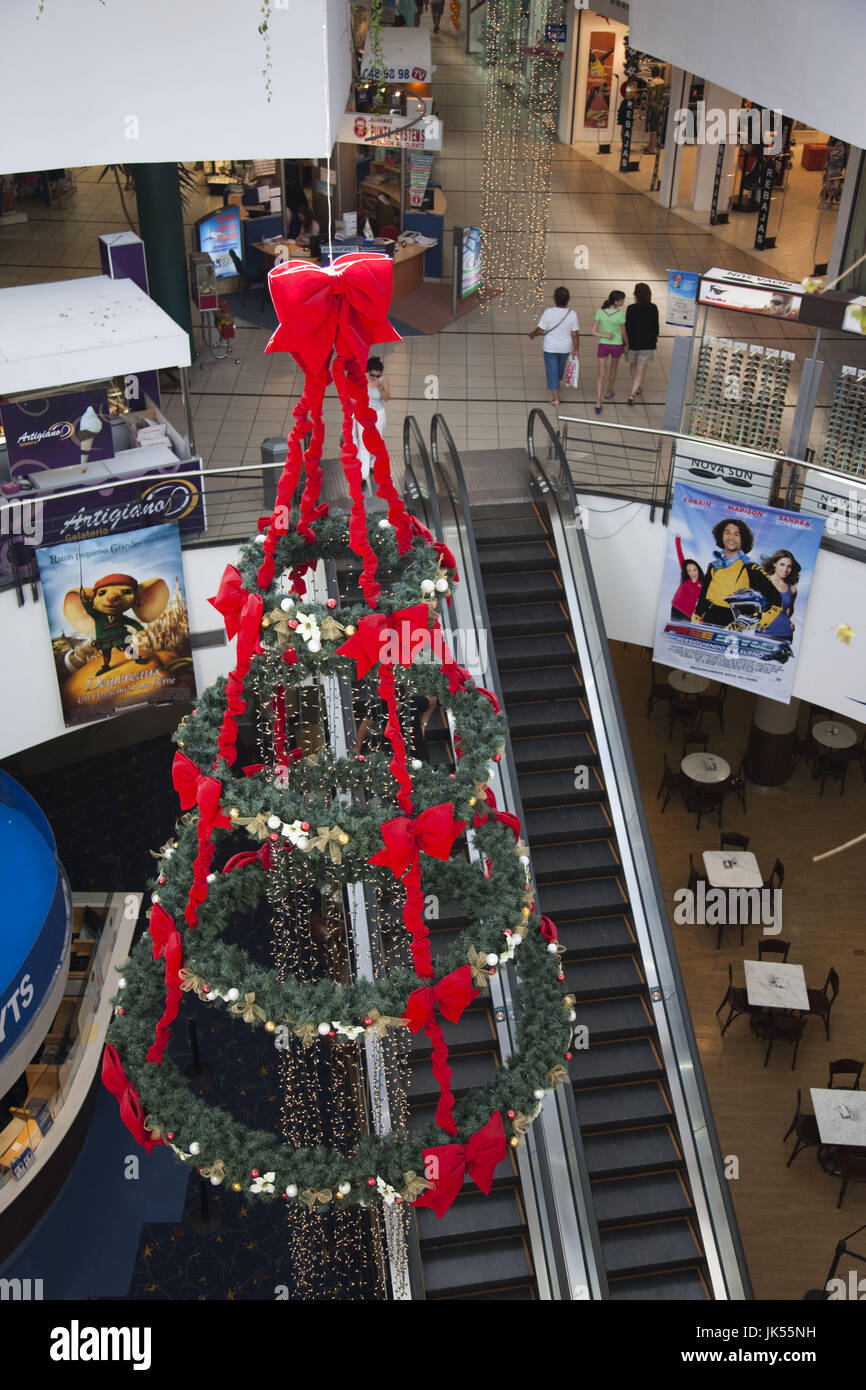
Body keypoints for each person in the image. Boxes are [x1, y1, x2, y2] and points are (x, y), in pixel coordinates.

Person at [692, 518, 782, 631]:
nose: (731, 537)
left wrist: (758, 621)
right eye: (727, 532)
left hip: (736, 623)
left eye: (736, 534)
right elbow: (704, 596)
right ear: (721, 535)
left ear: (743, 539)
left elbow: (776, 600)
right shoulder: (714, 565)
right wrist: (696, 615)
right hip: (709, 620)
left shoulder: (751, 567)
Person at [528, 286, 580, 409]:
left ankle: (556, 398)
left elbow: (541, 330)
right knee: (560, 369)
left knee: (552, 371)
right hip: (565, 348)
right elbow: (575, 335)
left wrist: (532, 334)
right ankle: (556, 385)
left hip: (550, 347)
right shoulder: (572, 314)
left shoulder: (549, 312)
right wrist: (576, 348)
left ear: (555, 299)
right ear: (568, 299)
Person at [353, 356, 390, 486]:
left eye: (378, 375)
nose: (375, 378)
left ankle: (373, 464)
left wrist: (380, 388)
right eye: (373, 375)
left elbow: (386, 398)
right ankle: (363, 475)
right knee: (363, 443)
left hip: (378, 414)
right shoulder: (361, 378)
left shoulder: (382, 380)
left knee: (376, 440)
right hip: (364, 414)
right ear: (368, 371)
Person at [591, 290, 626, 412]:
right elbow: (623, 333)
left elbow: (593, 331)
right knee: (613, 368)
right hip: (617, 345)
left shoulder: (600, 312)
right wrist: (626, 344)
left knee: (601, 374)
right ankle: (609, 391)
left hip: (603, 345)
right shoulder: (620, 315)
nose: (623, 301)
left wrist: (605, 336)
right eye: (622, 299)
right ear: (617, 301)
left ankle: (598, 402)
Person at [625, 283, 659, 404]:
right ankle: (632, 394)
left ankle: (636, 387)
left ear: (635, 295)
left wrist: (626, 342)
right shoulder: (653, 308)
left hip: (633, 343)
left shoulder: (631, 308)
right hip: (647, 344)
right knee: (641, 370)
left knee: (633, 366)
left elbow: (627, 327)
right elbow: (656, 326)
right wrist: (655, 338)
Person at [759, 549, 800, 640]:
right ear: (774, 563)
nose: (785, 569)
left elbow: (788, 609)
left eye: (789, 566)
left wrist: (788, 621)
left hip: (785, 634)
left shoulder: (792, 590)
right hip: (763, 632)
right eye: (782, 564)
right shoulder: (762, 582)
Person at [671, 538, 704, 621]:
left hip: (688, 615)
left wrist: (700, 619)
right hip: (676, 608)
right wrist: (677, 540)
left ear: (698, 570)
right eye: (689, 571)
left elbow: (703, 603)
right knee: (672, 630)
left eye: (694, 570)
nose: (693, 573)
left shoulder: (702, 585)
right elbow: (680, 555)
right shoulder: (686, 580)